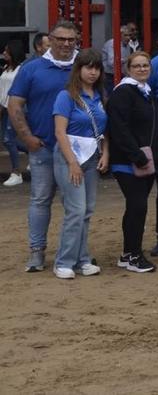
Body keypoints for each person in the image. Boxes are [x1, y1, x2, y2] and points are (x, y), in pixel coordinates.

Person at [9, 20, 79, 273]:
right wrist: (26, 138)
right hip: (44, 147)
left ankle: (76, 253)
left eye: (71, 39)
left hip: (77, 149)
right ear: (50, 39)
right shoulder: (32, 68)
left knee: (77, 205)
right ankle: (37, 252)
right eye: (61, 39)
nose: (66, 44)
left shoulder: (82, 67)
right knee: (40, 200)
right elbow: (15, 104)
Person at [48, 50, 108, 280]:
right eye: (88, 67)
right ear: (79, 69)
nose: (92, 72)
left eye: (97, 68)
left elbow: (103, 129)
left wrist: (106, 154)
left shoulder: (99, 95)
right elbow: (59, 132)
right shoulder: (66, 96)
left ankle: (82, 259)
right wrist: (72, 162)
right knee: (76, 210)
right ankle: (64, 260)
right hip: (69, 157)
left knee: (87, 209)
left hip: (92, 156)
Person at [106, 51, 158, 273]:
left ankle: (129, 253)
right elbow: (119, 128)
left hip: (145, 161)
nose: (141, 69)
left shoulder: (147, 93)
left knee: (136, 207)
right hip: (128, 161)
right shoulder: (124, 93)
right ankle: (134, 255)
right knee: (138, 206)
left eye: (145, 65)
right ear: (129, 69)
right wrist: (136, 156)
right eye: (137, 66)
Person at [1, 39, 27, 187]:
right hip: (4, 107)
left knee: (8, 139)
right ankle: (33, 150)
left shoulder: (21, 69)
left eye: (7, 51)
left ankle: (17, 172)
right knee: (8, 140)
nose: (4, 53)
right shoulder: (6, 67)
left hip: (15, 108)